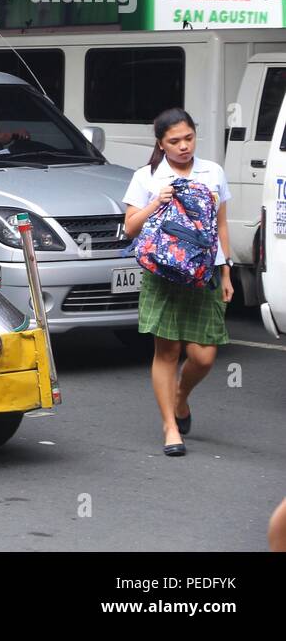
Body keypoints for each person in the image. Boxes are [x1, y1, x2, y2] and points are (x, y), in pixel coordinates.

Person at [122, 108, 232, 457]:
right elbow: (130, 228)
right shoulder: (147, 176)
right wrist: (157, 201)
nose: (184, 146)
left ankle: (181, 398)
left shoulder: (213, 172)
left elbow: (222, 224)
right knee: (167, 351)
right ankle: (170, 425)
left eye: (189, 138)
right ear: (161, 143)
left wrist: (226, 270)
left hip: (205, 273)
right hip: (164, 272)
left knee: (204, 356)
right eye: (174, 141)